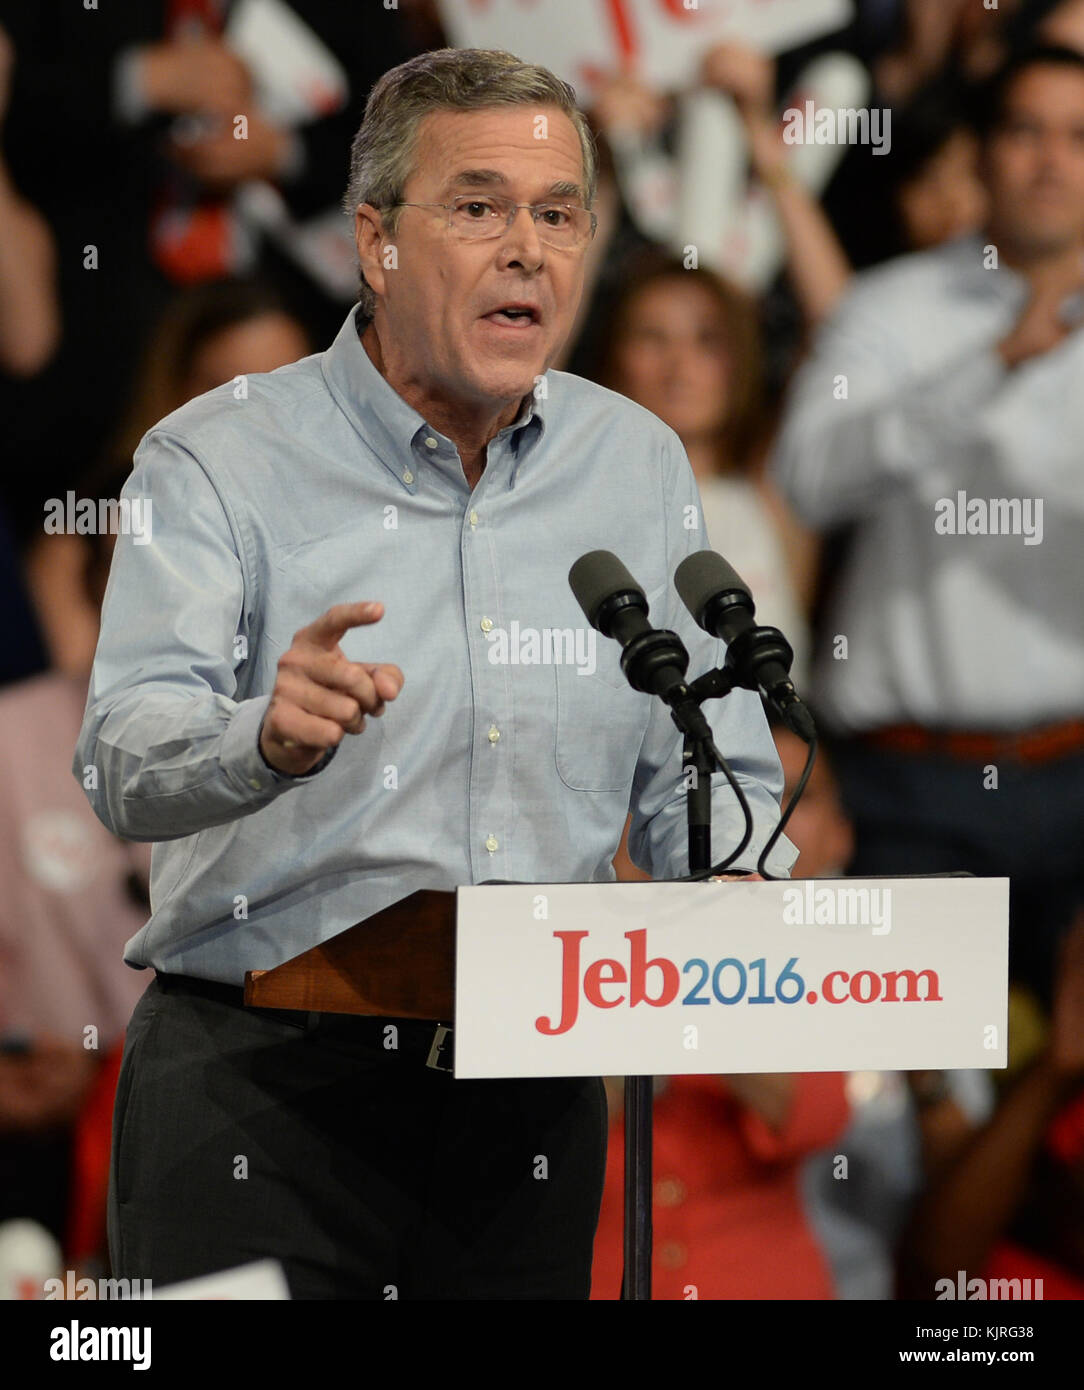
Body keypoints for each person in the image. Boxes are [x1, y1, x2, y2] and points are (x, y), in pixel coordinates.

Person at [75, 46, 796, 1301]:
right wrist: (259, 739)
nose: (528, 248)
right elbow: (120, 759)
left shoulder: (634, 463)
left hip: (529, 1090)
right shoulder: (217, 459)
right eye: (478, 207)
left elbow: (701, 789)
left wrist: (760, 891)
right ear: (376, 242)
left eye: (560, 214)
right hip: (258, 1084)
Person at [770, 44, 1084, 1007]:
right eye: (1024, 132)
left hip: (1080, 779)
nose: (1050, 160)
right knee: (914, 1121)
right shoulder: (890, 306)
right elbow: (808, 477)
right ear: (981, 153)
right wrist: (987, 368)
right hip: (911, 791)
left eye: (1079, 137)